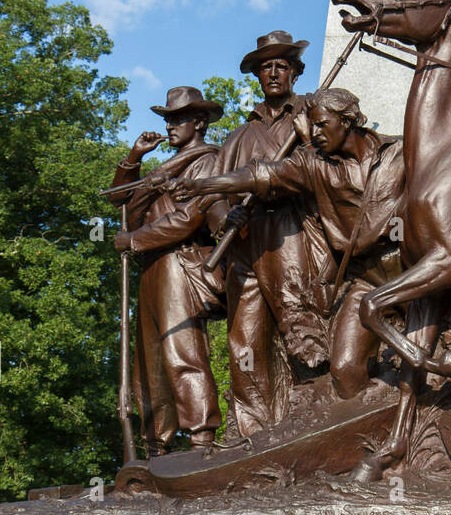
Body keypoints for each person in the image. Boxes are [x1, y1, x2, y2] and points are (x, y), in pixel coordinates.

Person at [171, 89, 404, 399]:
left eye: (321, 125)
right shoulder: (312, 163)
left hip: (410, 267)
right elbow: (261, 174)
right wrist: (200, 185)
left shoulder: (400, 152)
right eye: (312, 126)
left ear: (347, 121)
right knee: (345, 370)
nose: (314, 133)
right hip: (367, 279)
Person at [204, 30, 320, 437]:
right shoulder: (239, 137)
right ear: (256, 75)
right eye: (265, 67)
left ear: (296, 72)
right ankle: (252, 433)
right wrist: (223, 219)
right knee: (246, 341)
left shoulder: (310, 118)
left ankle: (310, 423)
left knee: (303, 326)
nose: (273, 73)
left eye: (281, 65)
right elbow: (215, 192)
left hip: (292, 232)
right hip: (245, 243)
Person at [111, 86, 225, 455]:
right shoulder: (164, 166)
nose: (170, 126)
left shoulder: (207, 161)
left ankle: (200, 438)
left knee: (183, 351)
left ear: (199, 122)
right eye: (167, 119)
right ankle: (155, 446)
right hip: (151, 265)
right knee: (148, 363)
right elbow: (121, 202)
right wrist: (134, 158)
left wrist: (133, 240)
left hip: (179, 261)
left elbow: (186, 219)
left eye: (178, 119)